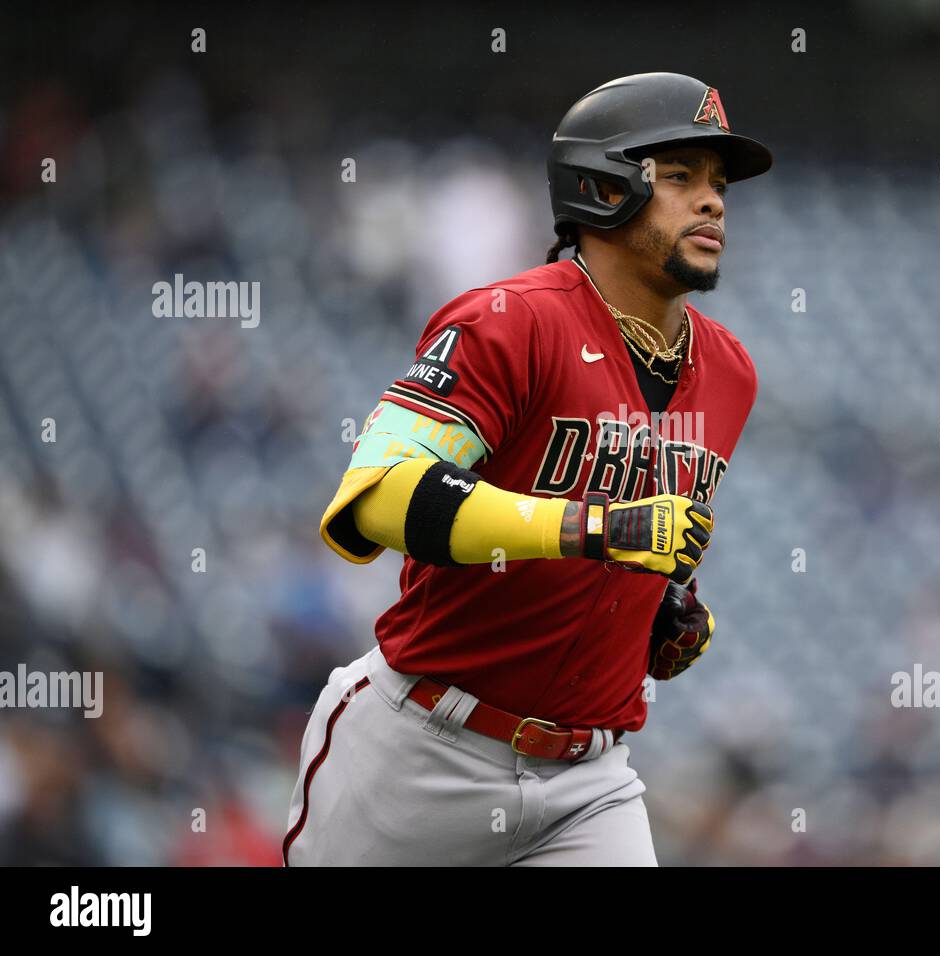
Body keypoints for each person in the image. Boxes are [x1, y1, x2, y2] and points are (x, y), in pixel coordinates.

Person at [283, 72, 772, 866]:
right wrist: (595, 530)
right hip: (424, 748)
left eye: (718, 183)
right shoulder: (507, 321)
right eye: (680, 176)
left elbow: (619, 548)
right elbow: (380, 499)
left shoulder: (732, 373)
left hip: (590, 780)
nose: (713, 201)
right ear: (602, 184)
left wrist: (661, 615)